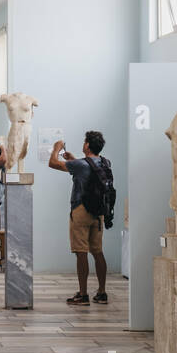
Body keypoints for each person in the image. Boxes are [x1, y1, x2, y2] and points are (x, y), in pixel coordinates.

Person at [48, 130, 112, 306]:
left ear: (87, 145)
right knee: (98, 252)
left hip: (81, 211)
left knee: (81, 252)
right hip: (99, 213)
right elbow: (87, 171)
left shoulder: (81, 165)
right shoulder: (105, 163)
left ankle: (83, 295)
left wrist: (56, 148)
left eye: (85, 141)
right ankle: (101, 292)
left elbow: (52, 163)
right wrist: (73, 159)